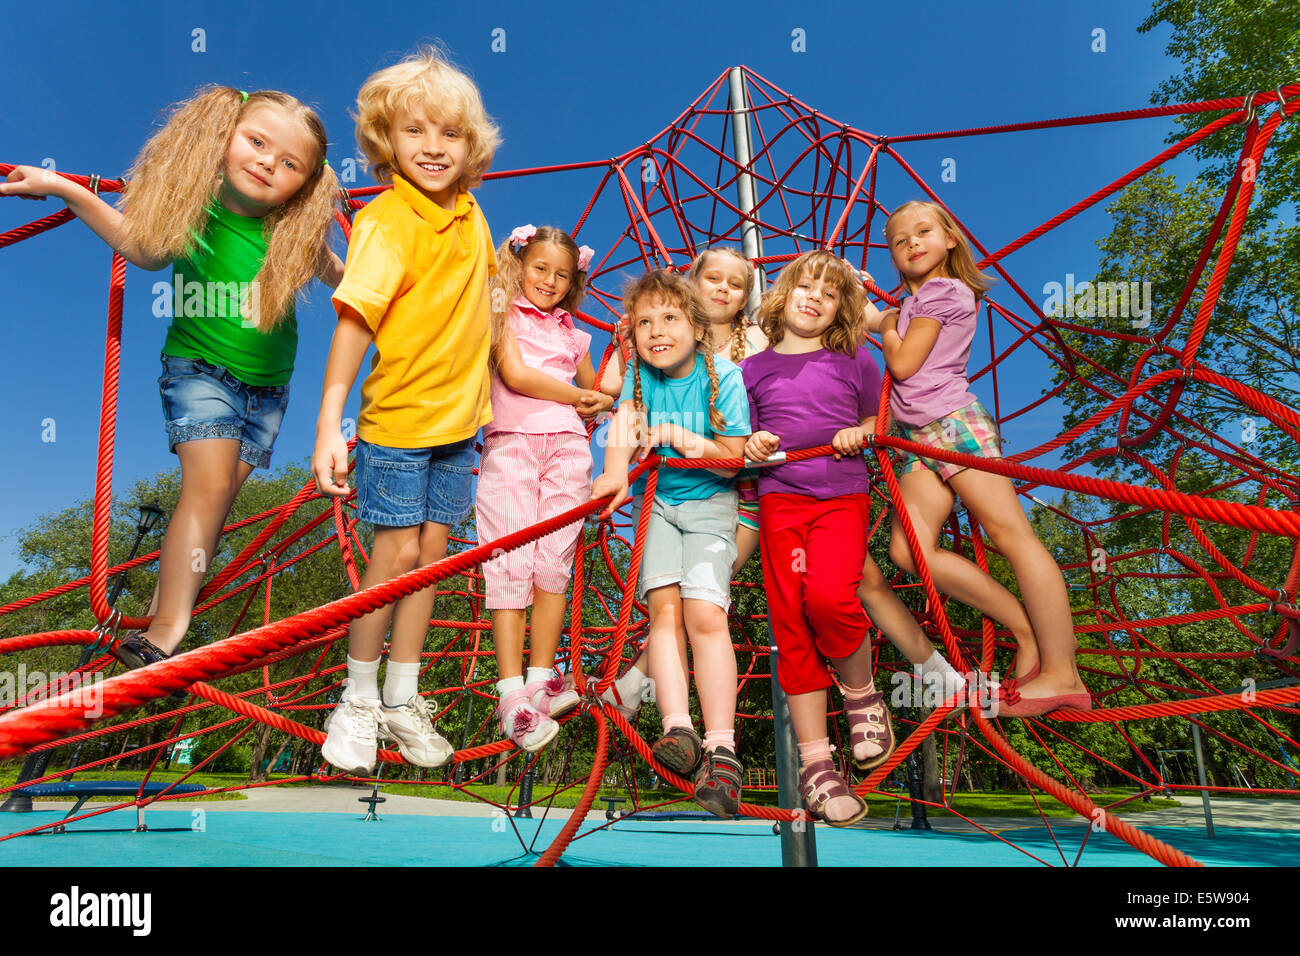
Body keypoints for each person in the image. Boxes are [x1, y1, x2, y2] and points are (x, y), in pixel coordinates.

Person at [1, 86, 340, 669]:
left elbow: (354, 282)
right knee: (205, 491)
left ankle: (166, 601)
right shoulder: (197, 205)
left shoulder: (294, 236)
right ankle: (165, 631)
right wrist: (63, 187)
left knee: (217, 506)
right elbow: (143, 247)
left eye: (290, 164)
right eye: (257, 142)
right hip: (200, 371)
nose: (267, 162)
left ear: (306, 184)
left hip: (267, 395)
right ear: (222, 138)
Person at [312, 49, 501, 773]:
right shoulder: (388, 220)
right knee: (391, 558)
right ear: (386, 142)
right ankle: (356, 698)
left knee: (431, 560)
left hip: (459, 428)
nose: (432, 147)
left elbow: (481, 306)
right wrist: (331, 425)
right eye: (414, 131)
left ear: (471, 147)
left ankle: (401, 695)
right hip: (395, 424)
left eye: (449, 134)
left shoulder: (472, 213)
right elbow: (355, 323)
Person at [862, 200, 1089, 717]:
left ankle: (1062, 671)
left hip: (954, 426)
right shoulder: (916, 300)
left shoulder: (945, 291)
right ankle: (1024, 628)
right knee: (908, 551)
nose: (913, 242)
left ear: (950, 239)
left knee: (1010, 535)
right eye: (900, 240)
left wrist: (883, 321)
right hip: (918, 437)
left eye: (923, 231)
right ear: (894, 259)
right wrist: (875, 307)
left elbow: (902, 361)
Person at [742, 250, 897, 826]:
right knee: (790, 621)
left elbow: (880, 419)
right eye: (805, 286)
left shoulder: (856, 359)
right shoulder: (753, 369)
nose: (814, 297)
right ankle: (816, 765)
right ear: (784, 295)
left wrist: (862, 431)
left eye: (829, 293)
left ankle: (860, 696)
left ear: (842, 308)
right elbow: (742, 433)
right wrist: (753, 443)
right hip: (781, 499)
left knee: (830, 596)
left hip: (839, 495)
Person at [591, 270, 750, 818]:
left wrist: (681, 438)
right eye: (644, 323)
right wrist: (614, 473)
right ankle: (678, 727)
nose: (656, 331)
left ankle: (723, 746)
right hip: (657, 504)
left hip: (710, 505)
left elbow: (733, 460)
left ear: (697, 328)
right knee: (664, 615)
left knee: (705, 615)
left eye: (670, 318)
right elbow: (623, 422)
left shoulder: (724, 377)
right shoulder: (639, 373)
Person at [476, 224, 612, 752]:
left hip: (569, 449)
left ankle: (540, 678)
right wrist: (579, 397)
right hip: (512, 442)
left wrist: (618, 360)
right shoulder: (501, 310)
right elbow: (517, 376)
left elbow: (599, 389)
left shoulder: (573, 332)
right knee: (509, 558)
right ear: (519, 263)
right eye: (540, 269)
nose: (550, 281)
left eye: (562, 274)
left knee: (554, 562)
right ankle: (510, 692)